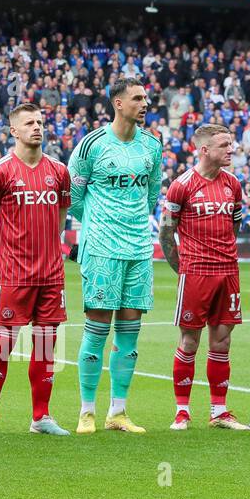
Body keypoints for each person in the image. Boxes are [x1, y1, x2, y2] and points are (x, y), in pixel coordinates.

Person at [66, 78, 162, 434]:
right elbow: (74, 196)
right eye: (138, 98)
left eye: (146, 98)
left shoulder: (152, 145)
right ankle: (86, 411)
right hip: (102, 246)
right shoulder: (92, 144)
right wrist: (96, 224)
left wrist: (131, 221)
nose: (145, 103)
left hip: (138, 246)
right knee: (97, 328)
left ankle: (117, 412)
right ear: (118, 104)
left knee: (130, 330)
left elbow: (152, 193)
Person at [0, 102, 72, 436]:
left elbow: (60, 218)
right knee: (3, 345)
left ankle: (41, 417)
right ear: (13, 130)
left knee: (45, 347)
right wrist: (12, 253)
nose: (37, 127)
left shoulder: (59, 171)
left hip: (51, 276)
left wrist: (47, 250)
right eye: (29, 123)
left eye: (40, 122)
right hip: (15, 275)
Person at [159, 124, 249, 430]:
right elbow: (166, 234)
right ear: (205, 150)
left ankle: (218, 411)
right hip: (195, 273)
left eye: (230, 144)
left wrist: (224, 254)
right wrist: (183, 268)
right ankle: (182, 411)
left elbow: (234, 227)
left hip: (228, 272)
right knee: (189, 340)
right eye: (224, 145)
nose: (230, 149)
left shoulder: (233, 185)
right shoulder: (181, 186)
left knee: (222, 342)